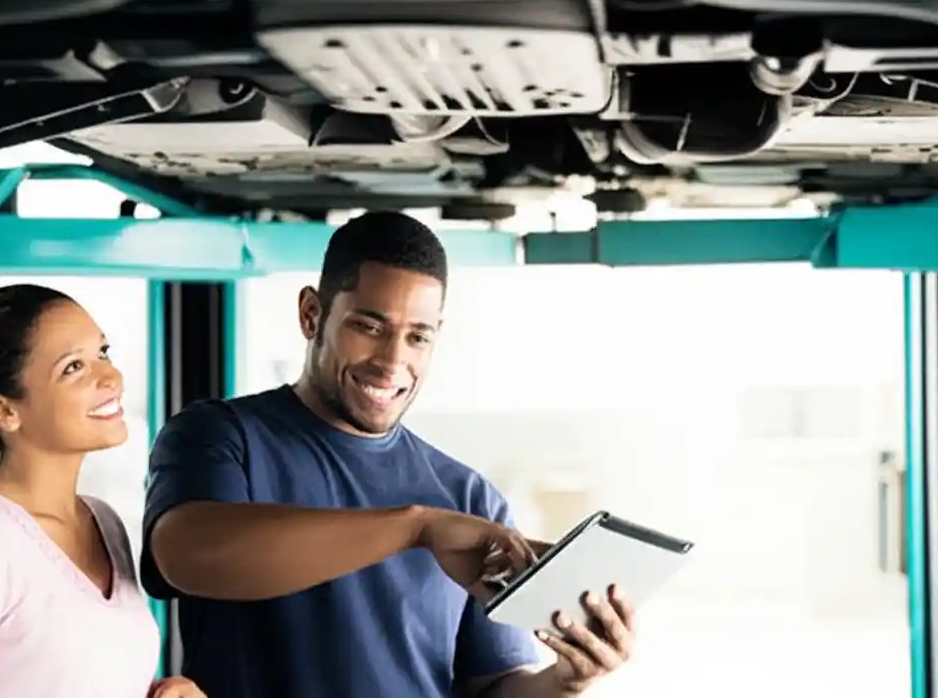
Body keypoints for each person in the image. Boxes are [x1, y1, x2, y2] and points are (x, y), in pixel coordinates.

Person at [142, 212, 638, 697]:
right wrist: (415, 529)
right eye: (370, 327)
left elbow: (490, 687)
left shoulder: (468, 497)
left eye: (417, 337)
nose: (393, 361)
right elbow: (184, 557)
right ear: (311, 314)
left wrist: (565, 681)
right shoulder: (220, 437)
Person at [0, 285, 205, 698]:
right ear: (3, 410)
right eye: (73, 367)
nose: (111, 377)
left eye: (103, 352)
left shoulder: (103, 522)